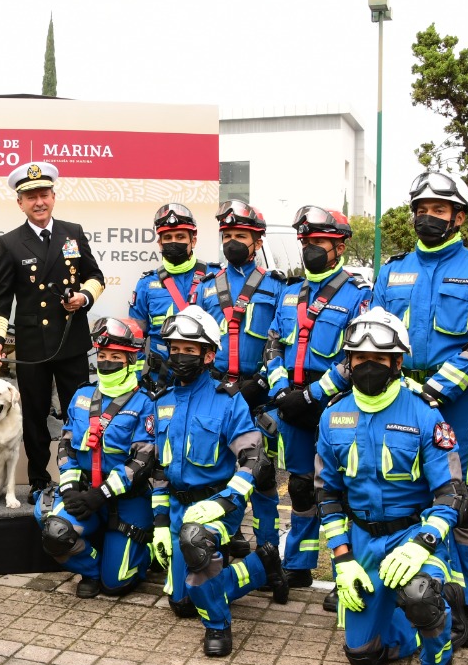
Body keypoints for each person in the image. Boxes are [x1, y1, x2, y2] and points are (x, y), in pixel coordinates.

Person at [365, 171, 468, 648]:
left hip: (458, 405)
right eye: (421, 209)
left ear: (459, 217)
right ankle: (425, 594)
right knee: (406, 497)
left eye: (439, 210)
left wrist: (438, 389)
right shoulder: (393, 270)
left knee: (462, 506)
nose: (427, 217)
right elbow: (377, 330)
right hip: (400, 398)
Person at [316, 308, 466, 665]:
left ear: (397, 363)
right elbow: (327, 496)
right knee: (364, 656)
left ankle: (438, 663)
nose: (368, 366)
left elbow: (451, 493)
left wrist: (422, 544)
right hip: (363, 542)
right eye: (359, 358)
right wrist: (342, 561)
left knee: (419, 594)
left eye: (378, 359)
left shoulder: (424, 414)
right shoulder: (332, 416)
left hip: (412, 536)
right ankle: (418, 619)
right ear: (348, 362)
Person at [150, 305, 288, 658]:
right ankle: (260, 566)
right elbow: (162, 469)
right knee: (181, 603)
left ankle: (218, 625)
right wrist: (161, 522)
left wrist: (224, 502)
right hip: (179, 506)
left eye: (189, 350)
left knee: (196, 543)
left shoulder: (229, 401)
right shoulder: (162, 401)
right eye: (174, 348)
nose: (179, 356)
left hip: (217, 506)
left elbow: (252, 459)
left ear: (208, 354)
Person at [264, 207, 370, 595]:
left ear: (338, 246)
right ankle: (299, 564)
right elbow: (272, 345)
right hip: (291, 401)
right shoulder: (290, 292)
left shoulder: (359, 295)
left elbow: (356, 356)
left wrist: (313, 395)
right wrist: (281, 393)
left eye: (319, 243)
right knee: (300, 486)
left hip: (334, 403)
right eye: (306, 242)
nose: (310, 249)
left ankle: (350, 574)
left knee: (342, 489)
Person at [0, 162, 105, 501]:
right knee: (35, 416)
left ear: (53, 197)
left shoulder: (73, 232)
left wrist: (83, 297)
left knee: (79, 410)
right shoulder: (11, 242)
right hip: (32, 345)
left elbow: (95, 276)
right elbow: (0, 298)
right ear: (20, 203)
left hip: (71, 339)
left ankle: (79, 476)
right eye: (30, 197)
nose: (39, 202)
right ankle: (39, 479)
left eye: (44, 195)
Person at [34, 318, 155, 597]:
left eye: (116, 357)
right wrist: (70, 487)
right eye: (102, 356)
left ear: (131, 360)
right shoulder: (81, 395)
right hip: (86, 492)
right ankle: (92, 570)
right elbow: (66, 447)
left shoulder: (145, 402)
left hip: (127, 500)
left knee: (116, 586)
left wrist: (100, 495)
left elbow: (142, 461)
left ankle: (142, 557)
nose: (107, 362)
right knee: (54, 529)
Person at [198, 200, 286, 549]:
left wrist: (261, 384)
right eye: (228, 234)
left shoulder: (277, 287)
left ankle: (266, 548)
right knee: (219, 467)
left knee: (264, 475)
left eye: (241, 235)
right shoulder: (205, 285)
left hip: (259, 393)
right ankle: (226, 537)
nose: (233, 241)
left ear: (258, 242)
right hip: (217, 391)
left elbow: (280, 339)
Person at [129, 204, 213, 396]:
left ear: (194, 240)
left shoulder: (214, 278)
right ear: (159, 242)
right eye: (167, 237)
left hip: (204, 380)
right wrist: (136, 381)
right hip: (161, 382)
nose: (173, 242)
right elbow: (136, 338)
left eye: (180, 237)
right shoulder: (146, 284)